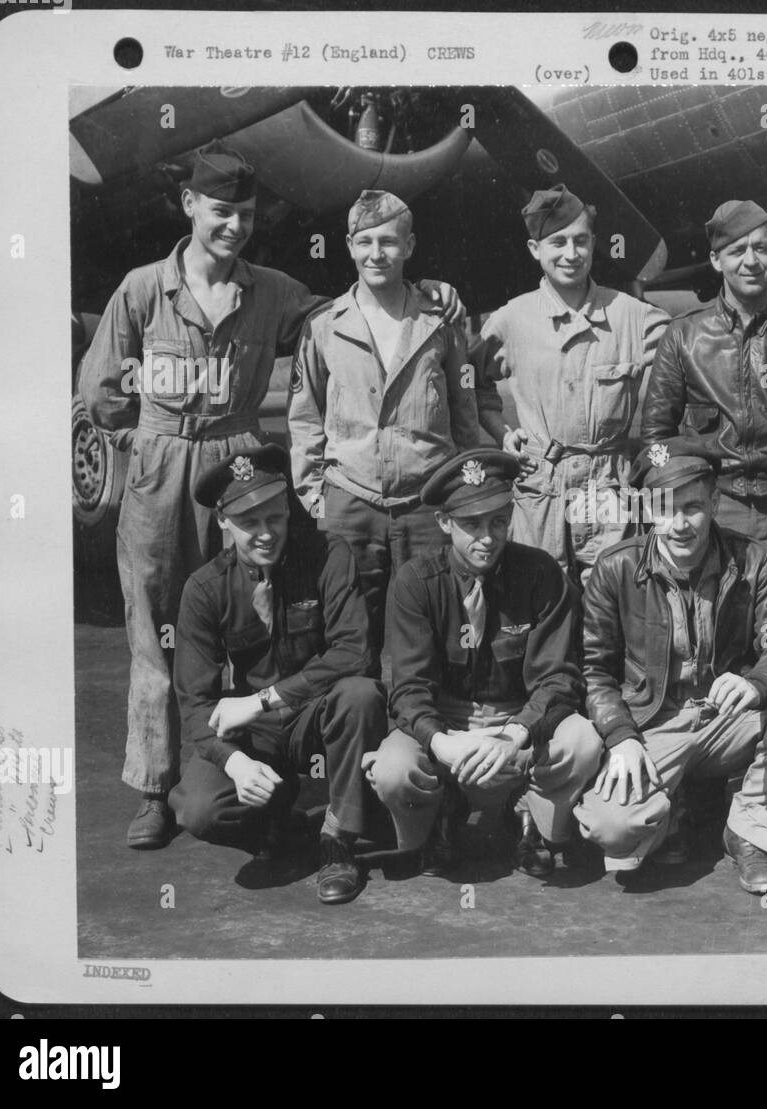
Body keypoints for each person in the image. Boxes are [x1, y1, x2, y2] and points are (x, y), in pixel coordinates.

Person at [78, 143, 327, 850]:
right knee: (154, 629)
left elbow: (335, 323)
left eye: (246, 214)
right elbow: (98, 393)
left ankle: (249, 769)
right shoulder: (141, 289)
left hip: (239, 465)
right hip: (160, 473)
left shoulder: (273, 291)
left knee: (250, 619)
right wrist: (143, 449)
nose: (235, 226)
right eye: (222, 212)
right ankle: (155, 787)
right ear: (191, 206)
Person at [574, 438, 767, 895]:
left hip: (727, 719)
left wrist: (756, 683)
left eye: (692, 507)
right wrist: (620, 737)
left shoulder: (750, 560)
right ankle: (673, 810)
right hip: (653, 724)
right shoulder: (614, 569)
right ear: (646, 509)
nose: (678, 525)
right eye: (664, 508)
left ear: (714, 502)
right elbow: (594, 671)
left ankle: (751, 835)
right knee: (613, 830)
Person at [367, 449, 603, 878]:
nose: (488, 537)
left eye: (498, 520)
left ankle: (533, 818)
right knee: (393, 769)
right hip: (446, 721)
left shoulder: (540, 573)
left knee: (583, 741)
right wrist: (442, 742)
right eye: (471, 525)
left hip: (519, 718)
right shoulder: (416, 583)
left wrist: (516, 735)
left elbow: (559, 677)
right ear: (444, 523)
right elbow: (407, 689)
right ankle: (436, 821)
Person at [168, 445, 387, 905]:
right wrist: (236, 763)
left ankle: (340, 840)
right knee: (197, 809)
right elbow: (195, 706)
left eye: (276, 518)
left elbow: (354, 652)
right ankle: (277, 816)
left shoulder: (329, 555)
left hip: (316, 714)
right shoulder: (205, 590)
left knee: (361, 694)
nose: (266, 534)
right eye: (250, 523)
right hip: (259, 735)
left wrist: (263, 698)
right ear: (224, 523)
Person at [287, 190, 481, 662]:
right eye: (365, 242)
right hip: (350, 503)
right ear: (350, 246)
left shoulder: (440, 323)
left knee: (427, 630)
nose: (377, 254)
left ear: (410, 246)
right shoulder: (324, 327)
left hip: (426, 501)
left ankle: (418, 732)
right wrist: (316, 498)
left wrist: (461, 493)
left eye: (390, 242)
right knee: (350, 634)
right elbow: (305, 419)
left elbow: (465, 414)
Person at [473, 185, 670, 582]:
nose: (571, 253)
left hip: (610, 491)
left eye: (581, 241)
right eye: (557, 242)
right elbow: (471, 384)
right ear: (535, 250)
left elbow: (696, 343)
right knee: (542, 607)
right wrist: (501, 432)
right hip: (542, 491)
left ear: (594, 244)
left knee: (612, 604)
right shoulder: (512, 320)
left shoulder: (632, 315)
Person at [641, 200, 767, 578]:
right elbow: (656, 436)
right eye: (737, 250)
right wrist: (670, 505)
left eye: (761, 248)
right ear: (717, 260)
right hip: (714, 504)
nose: (751, 261)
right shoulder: (683, 336)